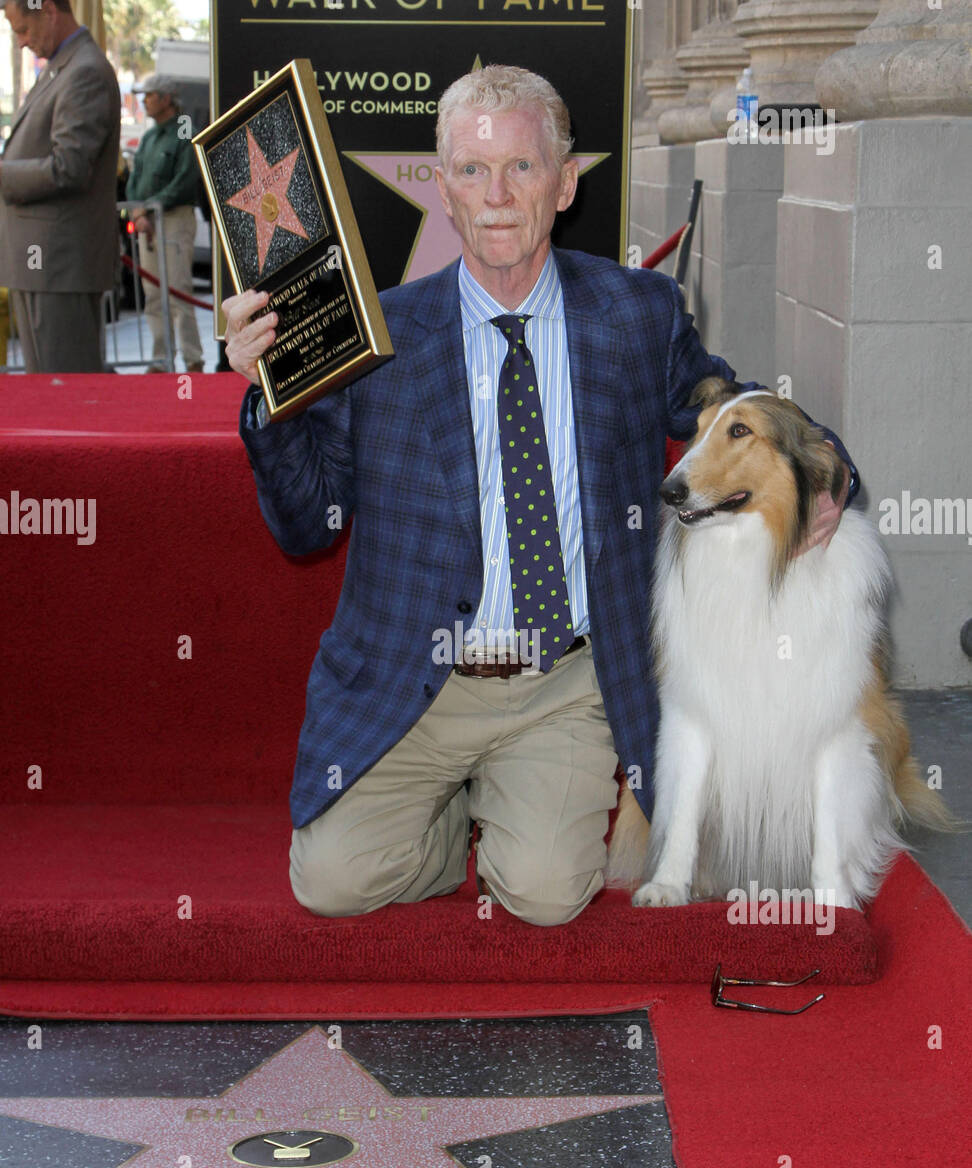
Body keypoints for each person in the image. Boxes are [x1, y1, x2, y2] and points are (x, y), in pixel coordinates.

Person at [223, 65, 858, 927]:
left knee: (548, 898)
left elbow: (731, 407)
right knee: (330, 885)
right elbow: (304, 527)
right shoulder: (378, 336)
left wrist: (828, 472)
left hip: (562, 679)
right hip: (419, 671)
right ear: (442, 188)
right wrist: (269, 395)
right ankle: (447, 825)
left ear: (564, 185)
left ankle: (512, 803)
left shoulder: (638, 314)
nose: (497, 195)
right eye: (473, 171)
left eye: (522, 168)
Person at [0, 0, 119, 373]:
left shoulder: (84, 70)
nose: (20, 42)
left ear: (48, 10)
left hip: (57, 266)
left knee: (66, 400)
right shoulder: (64, 67)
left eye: (23, 30)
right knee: (51, 398)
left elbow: (68, 166)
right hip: (44, 264)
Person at [127, 73, 204, 374]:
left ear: (166, 98)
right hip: (148, 221)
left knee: (178, 291)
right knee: (153, 294)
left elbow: (185, 181)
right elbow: (134, 180)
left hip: (173, 219)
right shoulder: (149, 136)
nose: (144, 101)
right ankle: (161, 358)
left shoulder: (185, 131)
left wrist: (148, 208)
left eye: (149, 95)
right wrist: (137, 213)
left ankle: (192, 359)